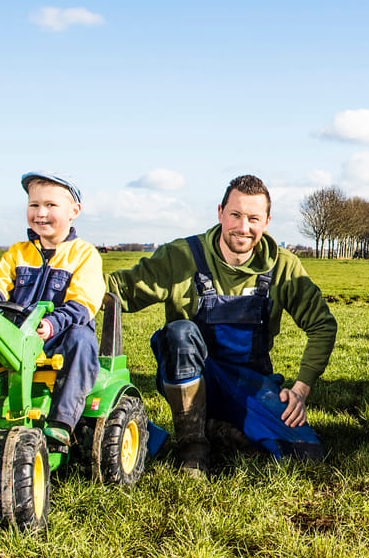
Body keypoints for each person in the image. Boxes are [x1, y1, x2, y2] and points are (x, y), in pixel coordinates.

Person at [106, 174, 337, 476]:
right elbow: (119, 290)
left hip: (249, 384)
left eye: (253, 218)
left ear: (267, 222)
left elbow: (322, 325)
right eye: (235, 215)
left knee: (306, 453)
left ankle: (215, 428)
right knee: (179, 332)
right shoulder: (182, 256)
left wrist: (301, 389)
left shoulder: (284, 267)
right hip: (191, 374)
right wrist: (73, 280)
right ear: (220, 213)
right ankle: (192, 449)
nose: (243, 227)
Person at [0, 172, 104, 449]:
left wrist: (52, 324)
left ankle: (61, 421)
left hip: (58, 340)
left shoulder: (84, 254)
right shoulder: (17, 253)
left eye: (50, 205)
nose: (40, 213)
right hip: (16, 337)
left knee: (82, 338)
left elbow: (83, 303)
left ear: (74, 211)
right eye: (34, 205)